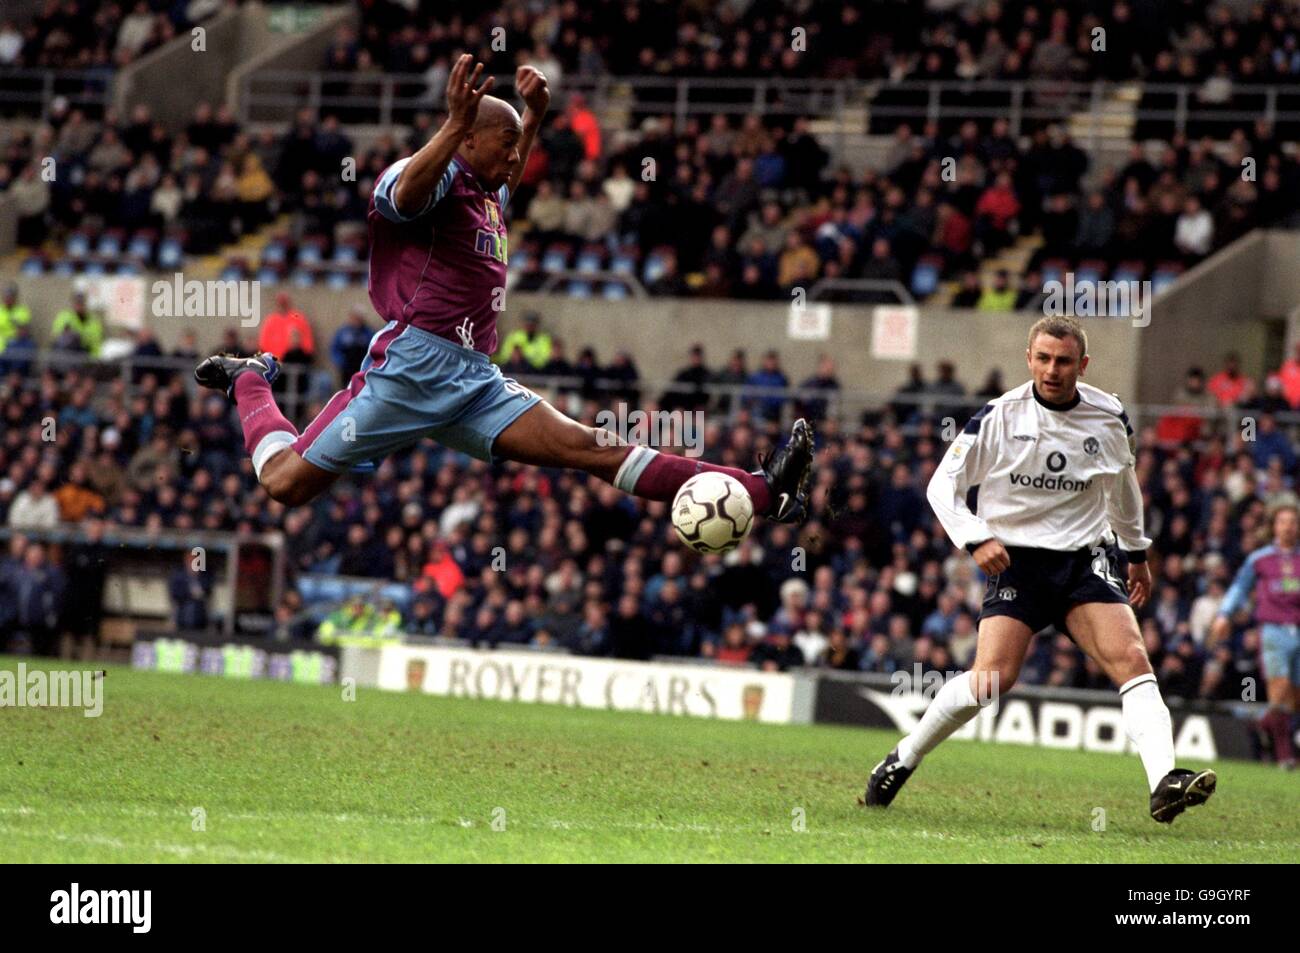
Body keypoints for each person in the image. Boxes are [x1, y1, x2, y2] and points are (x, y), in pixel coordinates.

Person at [194, 56, 813, 523]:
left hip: (473, 378)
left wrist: (534, 118)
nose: (516, 157)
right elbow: (402, 198)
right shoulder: (427, 179)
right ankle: (251, 378)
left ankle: (766, 493)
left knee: (596, 446)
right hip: (408, 371)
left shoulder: (487, 195)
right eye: (505, 143)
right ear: (465, 139)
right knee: (284, 484)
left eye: (519, 145)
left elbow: (505, 171)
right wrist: (454, 123)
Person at [864, 315, 1217, 824]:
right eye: (1044, 359)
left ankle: (1163, 781)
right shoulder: (998, 417)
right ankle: (904, 757)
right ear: (1029, 359)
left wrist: (1136, 551)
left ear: (1083, 365)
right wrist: (975, 537)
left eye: (1064, 361)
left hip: (1083, 561)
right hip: (1017, 560)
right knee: (991, 681)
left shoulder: (1109, 415)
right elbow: (942, 486)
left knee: (1133, 659)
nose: (1053, 370)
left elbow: (1122, 486)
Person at [1210, 504, 1300, 768]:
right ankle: (1285, 757)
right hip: (1273, 630)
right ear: (1274, 526)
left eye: (1293, 522)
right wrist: (1224, 614)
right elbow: (1239, 587)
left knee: (1294, 699)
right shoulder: (1259, 559)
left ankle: (1258, 725)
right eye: (1283, 522)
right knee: (1279, 690)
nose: (1288, 526)